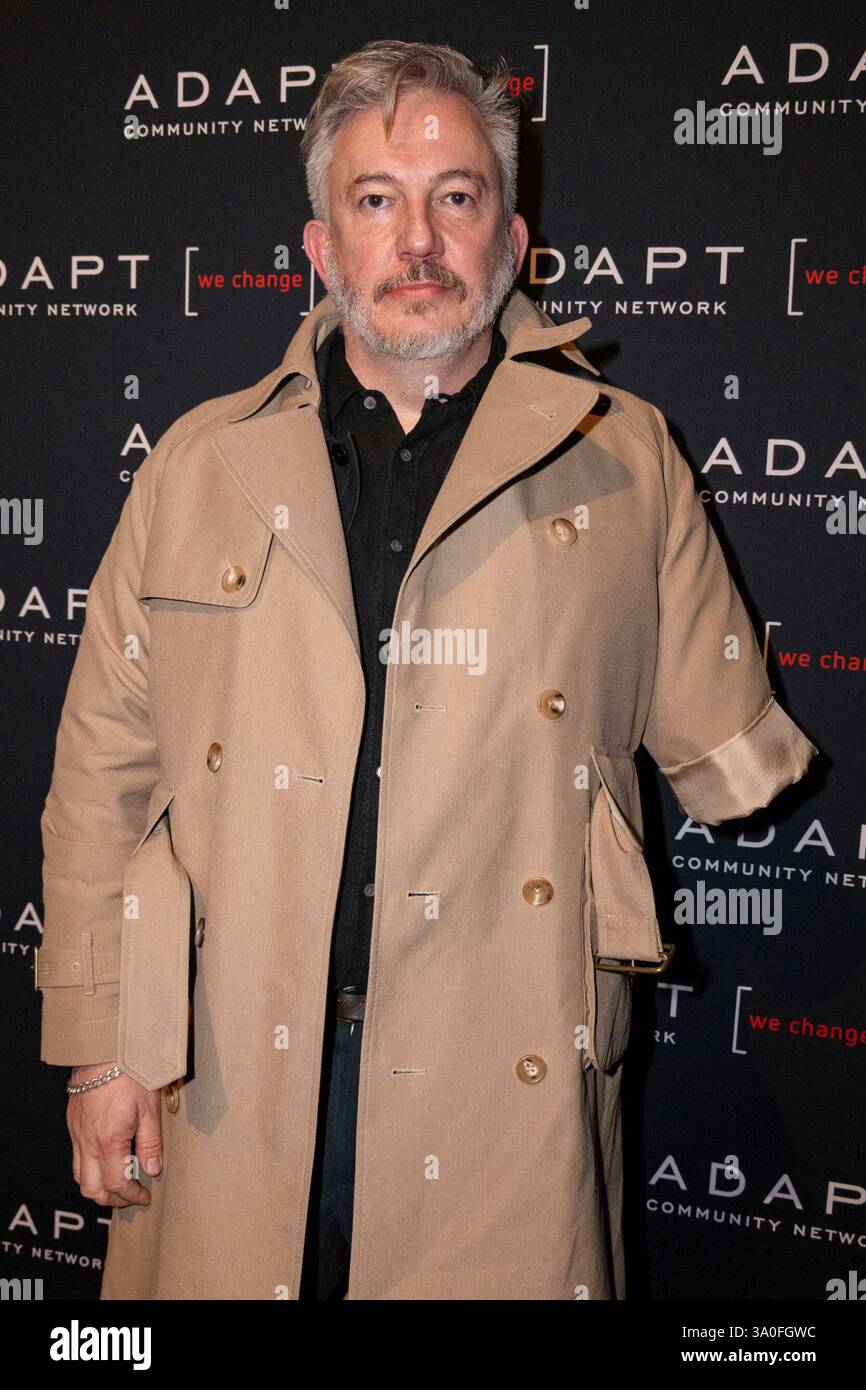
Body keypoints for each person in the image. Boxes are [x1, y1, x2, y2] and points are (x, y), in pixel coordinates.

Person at [37, 39, 817, 1300]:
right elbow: (101, 777)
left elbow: (727, 756)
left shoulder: (626, 461)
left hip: (502, 1074)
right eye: (375, 199)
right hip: (222, 1070)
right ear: (318, 245)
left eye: (455, 196)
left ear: (511, 243)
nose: (417, 239)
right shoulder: (194, 466)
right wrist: (95, 1050)